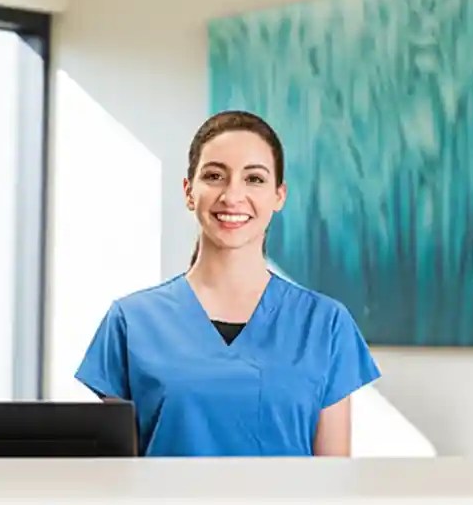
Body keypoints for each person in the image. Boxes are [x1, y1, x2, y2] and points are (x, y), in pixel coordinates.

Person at [75, 110, 381, 457]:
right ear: (189, 191)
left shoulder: (325, 324)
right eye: (215, 176)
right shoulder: (131, 321)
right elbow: (115, 479)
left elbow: (333, 484)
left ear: (279, 196)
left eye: (254, 179)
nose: (232, 195)